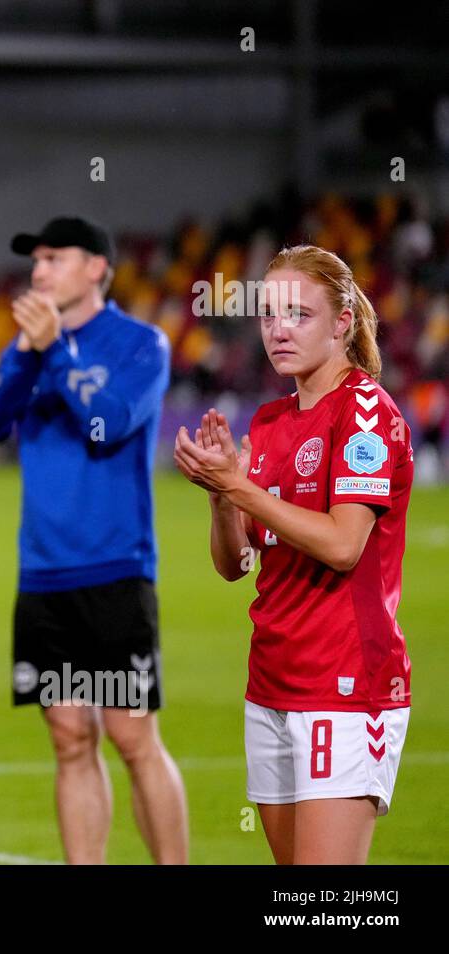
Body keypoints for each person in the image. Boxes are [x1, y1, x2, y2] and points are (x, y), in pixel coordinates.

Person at [175, 245, 413, 865]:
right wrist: (221, 498)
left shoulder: (364, 413)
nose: (279, 329)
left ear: (342, 322)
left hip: (346, 685)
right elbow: (235, 565)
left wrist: (241, 486)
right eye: (270, 314)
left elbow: (342, 544)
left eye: (299, 314)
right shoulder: (274, 420)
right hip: (272, 683)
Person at [0, 216, 188, 865]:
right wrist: (32, 353)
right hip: (44, 571)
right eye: (34, 261)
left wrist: (58, 353)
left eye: (54, 258)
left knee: (130, 735)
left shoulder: (139, 344)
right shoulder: (29, 346)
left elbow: (106, 422)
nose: (39, 272)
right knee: (69, 738)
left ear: (97, 267)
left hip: (114, 569)